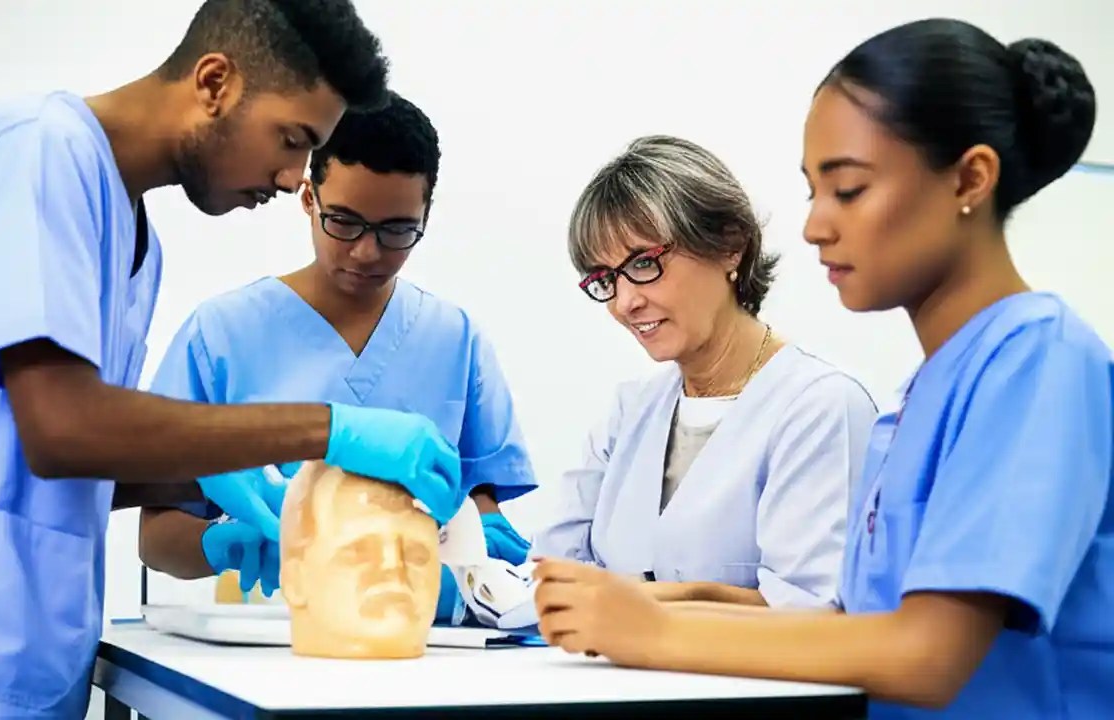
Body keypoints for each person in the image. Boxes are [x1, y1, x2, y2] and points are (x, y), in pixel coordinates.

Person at [0, 3, 468, 719]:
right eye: (292, 140)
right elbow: (62, 429)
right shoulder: (35, 152)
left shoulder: (136, 241)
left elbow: (36, 464)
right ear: (214, 82)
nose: (295, 179)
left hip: (26, 661)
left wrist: (225, 503)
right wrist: (328, 428)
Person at [532, 18, 1110, 720]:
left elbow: (927, 656)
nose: (814, 226)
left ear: (969, 178)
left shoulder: (1039, 361)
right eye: (812, 192)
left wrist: (654, 629)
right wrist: (666, 602)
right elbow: (847, 627)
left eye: (849, 189)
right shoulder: (922, 396)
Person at [138, 91, 536, 613]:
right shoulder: (221, 335)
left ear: (426, 214)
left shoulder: (454, 339)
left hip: (415, 635)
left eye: (396, 230)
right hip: (265, 639)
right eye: (343, 221)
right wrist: (220, 545)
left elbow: (478, 509)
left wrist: (485, 548)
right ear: (308, 197)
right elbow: (156, 538)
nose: (366, 251)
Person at [529, 135, 877, 610]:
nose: (625, 301)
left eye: (645, 264)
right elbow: (552, 575)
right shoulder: (630, 412)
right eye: (605, 279)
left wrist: (647, 604)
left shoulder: (820, 407)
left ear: (730, 245)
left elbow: (815, 610)